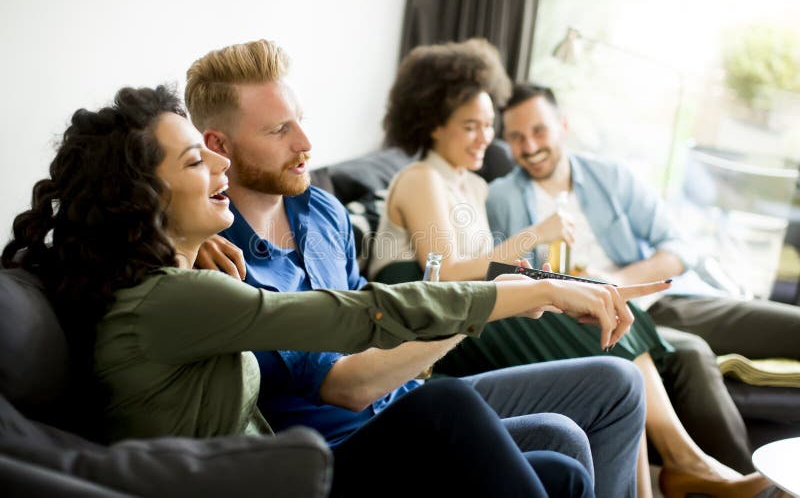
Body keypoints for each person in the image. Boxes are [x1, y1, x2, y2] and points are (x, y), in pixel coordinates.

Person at [185, 38, 653, 498]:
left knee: (576, 431)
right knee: (445, 404)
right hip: (335, 451)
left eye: (301, 122)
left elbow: (370, 324)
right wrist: (496, 301)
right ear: (216, 145)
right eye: (278, 130)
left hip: (400, 398)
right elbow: (350, 385)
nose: (306, 143)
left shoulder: (325, 212)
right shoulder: (213, 256)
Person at [367, 40, 772, 498]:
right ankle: (684, 462)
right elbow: (449, 272)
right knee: (605, 314)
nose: (486, 137)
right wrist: (538, 235)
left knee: (608, 315)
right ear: (433, 125)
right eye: (470, 126)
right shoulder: (423, 178)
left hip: (474, 306)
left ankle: (663, 477)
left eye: (487, 125)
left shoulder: (475, 187)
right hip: (432, 314)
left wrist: (534, 275)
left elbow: (487, 269)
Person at [488, 82, 792, 496]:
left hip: (662, 299)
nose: (530, 146)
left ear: (562, 126)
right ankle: (750, 485)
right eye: (517, 137)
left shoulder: (610, 176)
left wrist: (614, 285)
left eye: (539, 131)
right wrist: (590, 295)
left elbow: (679, 246)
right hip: (595, 320)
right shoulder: (501, 197)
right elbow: (505, 276)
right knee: (691, 354)